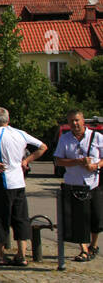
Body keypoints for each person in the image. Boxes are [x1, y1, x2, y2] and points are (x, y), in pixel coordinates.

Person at [0, 107, 48, 266]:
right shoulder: (20, 133)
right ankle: (22, 254)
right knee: (20, 218)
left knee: (0, 218)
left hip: (3, 183)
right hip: (19, 183)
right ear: (8, 119)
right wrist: (26, 160)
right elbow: (43, 147)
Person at [53, 109, 103, 262]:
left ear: (83, 121)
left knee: (96, 219)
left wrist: (96, 166)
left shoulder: (96, 137)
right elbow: (58, 160)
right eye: (71, 121)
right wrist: (77, 162)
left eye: (77, 120)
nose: (74, 124)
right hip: (74, 184)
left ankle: (93, 245)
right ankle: (84, 249)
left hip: (93, 184)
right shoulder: (65, 139)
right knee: (80, 219)